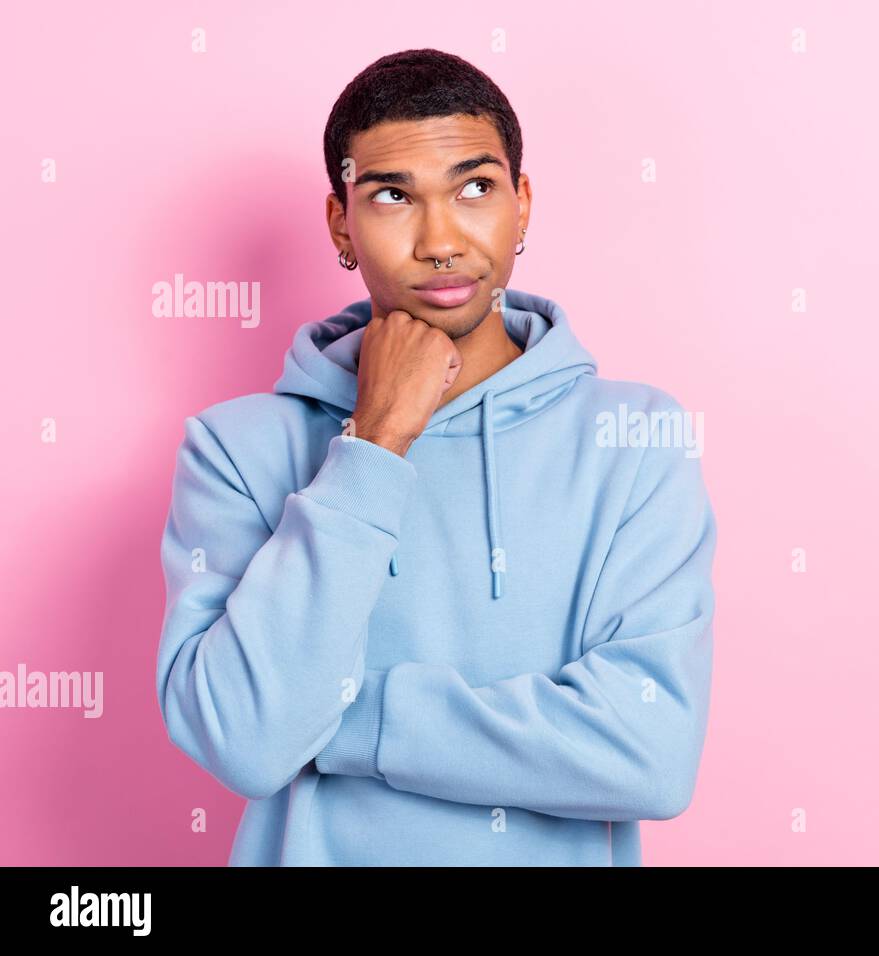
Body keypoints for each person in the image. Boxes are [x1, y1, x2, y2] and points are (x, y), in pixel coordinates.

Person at [154, 48, 716, 866]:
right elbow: (246, 740)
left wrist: (341, 717)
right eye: (392, 196)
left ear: (522, 204)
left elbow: (652, 754)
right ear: (341, 222)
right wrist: (375, 445)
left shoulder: (635, 439)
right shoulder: (235, 449)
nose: (441, 239)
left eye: (476, 188)